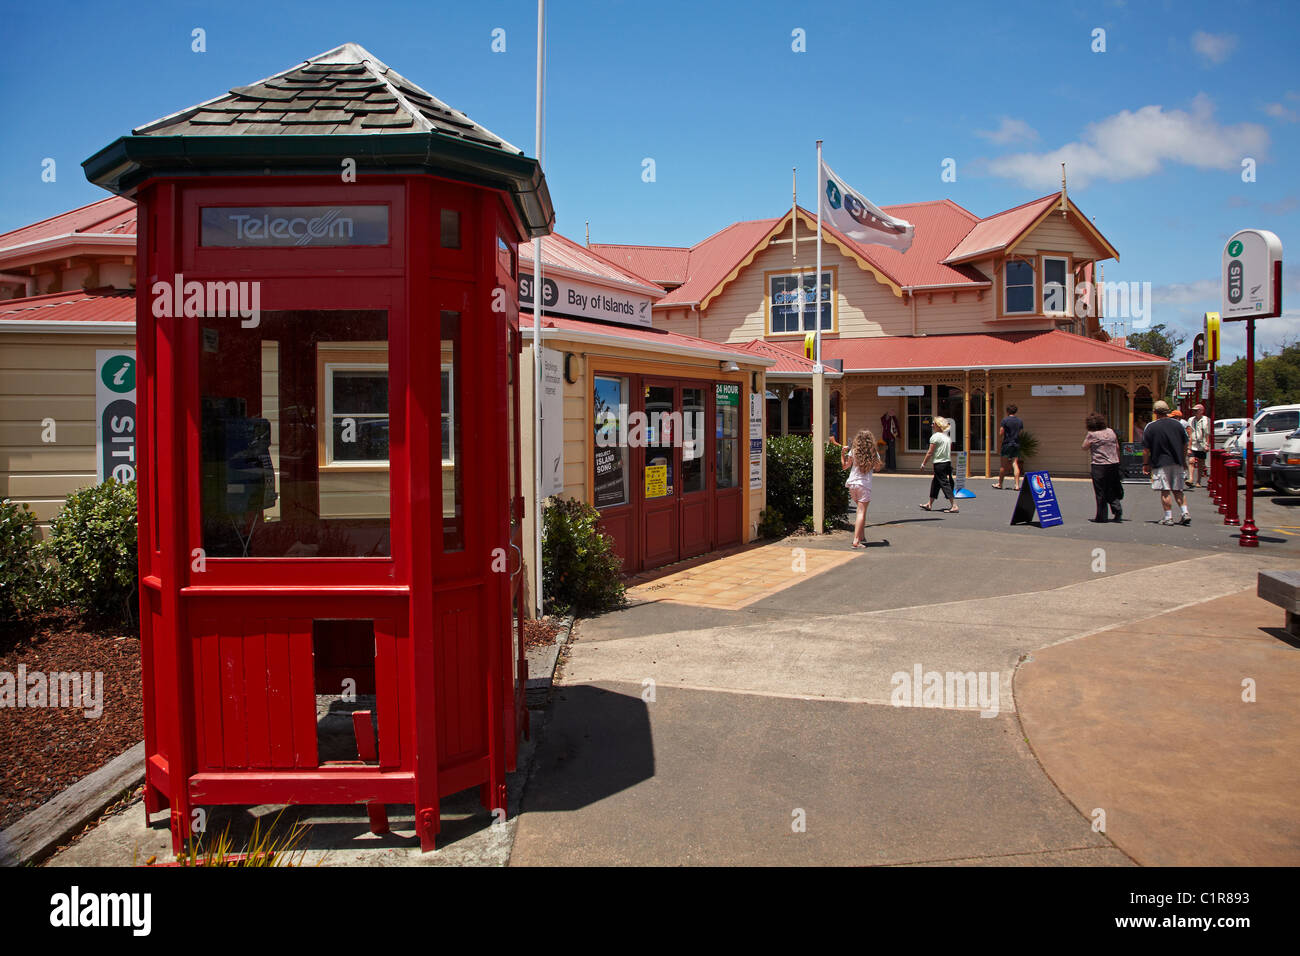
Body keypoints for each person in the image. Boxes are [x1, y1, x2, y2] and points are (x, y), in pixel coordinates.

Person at [1142, 400, 1190, 526]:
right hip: (1177, 461)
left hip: (1160, 462)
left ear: (1155, 412)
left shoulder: (1151, 426)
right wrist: (1183, 459)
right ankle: (1185, 512)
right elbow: (1185, 443)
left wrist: (1145, 464)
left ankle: (1168, 517)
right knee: (1178, 489)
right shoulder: (1178, 425)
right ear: (1168, 411)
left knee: (1165, 490)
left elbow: (1146, 449)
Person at [841, 428, 884, 548]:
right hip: (864, 485)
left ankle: (862, 535)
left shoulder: (853, 451)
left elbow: (845, 467)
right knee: (861, 512)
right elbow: (877, 468)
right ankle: (856, 540)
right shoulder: (873, 453)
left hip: (852, 484)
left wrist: (842, 453)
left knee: (861, 510)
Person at [1082, 412, 1123, 523]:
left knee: (1100, 491)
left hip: (1099, 465)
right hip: (1113, 463)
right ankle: (1117, 510)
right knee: (1111, 488)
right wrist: (1118, 460)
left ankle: (1101, 516)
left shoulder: (1092, 434)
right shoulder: (1110, 431)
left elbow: (1084, 447)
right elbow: (1117, 447)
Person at [919, 416, 958, 513]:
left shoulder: (935, 437)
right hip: (947, 463)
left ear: (937, 425)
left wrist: (923, 464)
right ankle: (929, 504)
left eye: (933, 423)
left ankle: (954, 505)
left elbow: (930, 452)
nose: (932, 425)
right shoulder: (947, 437)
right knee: (935, 483)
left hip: (939, 463)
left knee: (944, 483)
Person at [994, 404, 1024, 490]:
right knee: (1015, 463)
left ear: (1007, 411)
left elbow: (1001, 432)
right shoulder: (1019, 421)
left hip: (1007, 444)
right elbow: (1020, 433)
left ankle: (1000, 484)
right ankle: (1017, 485)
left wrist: (1002, 436)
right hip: (1016, 444)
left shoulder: (1005, 420)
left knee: (1003, 465)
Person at [1187, 403, 1210, 488]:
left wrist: (1207, 445)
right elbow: (1189, 432)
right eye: (1194, 411)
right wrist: (1188, 447)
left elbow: (1208, 434)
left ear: (1201, 411)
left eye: (1196, 411)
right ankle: (1190, 479)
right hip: (1193, 444)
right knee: (1191, 461)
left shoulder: (1206, 420)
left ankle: (1198, 481)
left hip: (1202, 445)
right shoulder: (1190, 420)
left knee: (1201, 463)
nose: (1195, 412)